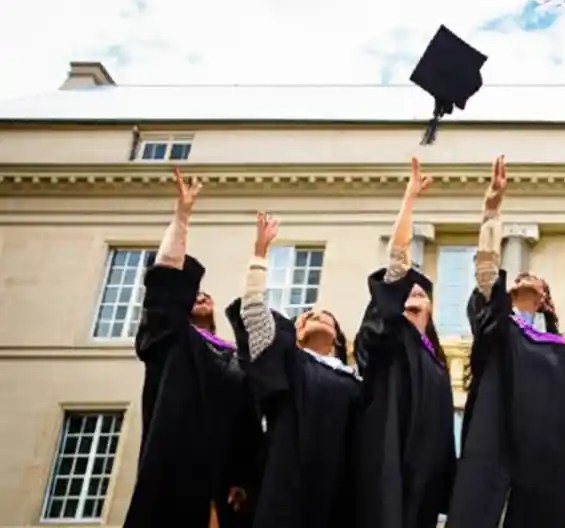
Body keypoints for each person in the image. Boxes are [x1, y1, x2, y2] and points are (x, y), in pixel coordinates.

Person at [447, 156, 565, 528]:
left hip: (548, 468)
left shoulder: (563, 352)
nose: (524, 277)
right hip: (493, 454)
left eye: (535, 277)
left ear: (546, 299)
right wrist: (491, 212)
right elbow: (486, 277)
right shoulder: (497, 329)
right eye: (518, 275)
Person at [124, 169, 261, 528]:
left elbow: (249, 422)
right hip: (173, 469)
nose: (201, 295)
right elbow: (165, 282)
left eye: (207, 294)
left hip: (221, 485)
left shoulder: (233, 358)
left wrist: (246, 479)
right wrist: (181, 219)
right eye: (193, 293)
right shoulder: (171, 341)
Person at [227, 212, 363, 528]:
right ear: (295, 333)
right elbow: (257, 321)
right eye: (307, 315)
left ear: (340, 338)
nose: (317, 314)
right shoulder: (289, 365)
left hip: (341, 491)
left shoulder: (356, 381)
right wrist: (260, 257)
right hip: (289, 483)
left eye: (326, 314)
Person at [355, 158, 457, 528]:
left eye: (422, 291)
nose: (414, 290)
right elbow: (397, 265)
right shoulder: (390, 338)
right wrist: (409, 201)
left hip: (426, 472)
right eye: (407, 289)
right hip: (387, 456)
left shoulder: (437, 362)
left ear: (431, 307)